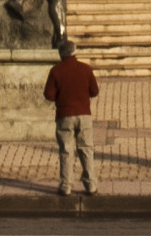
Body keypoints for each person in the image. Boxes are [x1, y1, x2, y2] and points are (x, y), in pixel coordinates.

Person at [43, 37, 101, 196]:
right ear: (75, 52)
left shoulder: (56, 71)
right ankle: (91, 185)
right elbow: (95, 91)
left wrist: (61, 97)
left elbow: (48, 94)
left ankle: (66, 186)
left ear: (61, 54)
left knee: (66, 151)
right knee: (86, 149)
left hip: (65, 115)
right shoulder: (86, 69)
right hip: (84, 114)